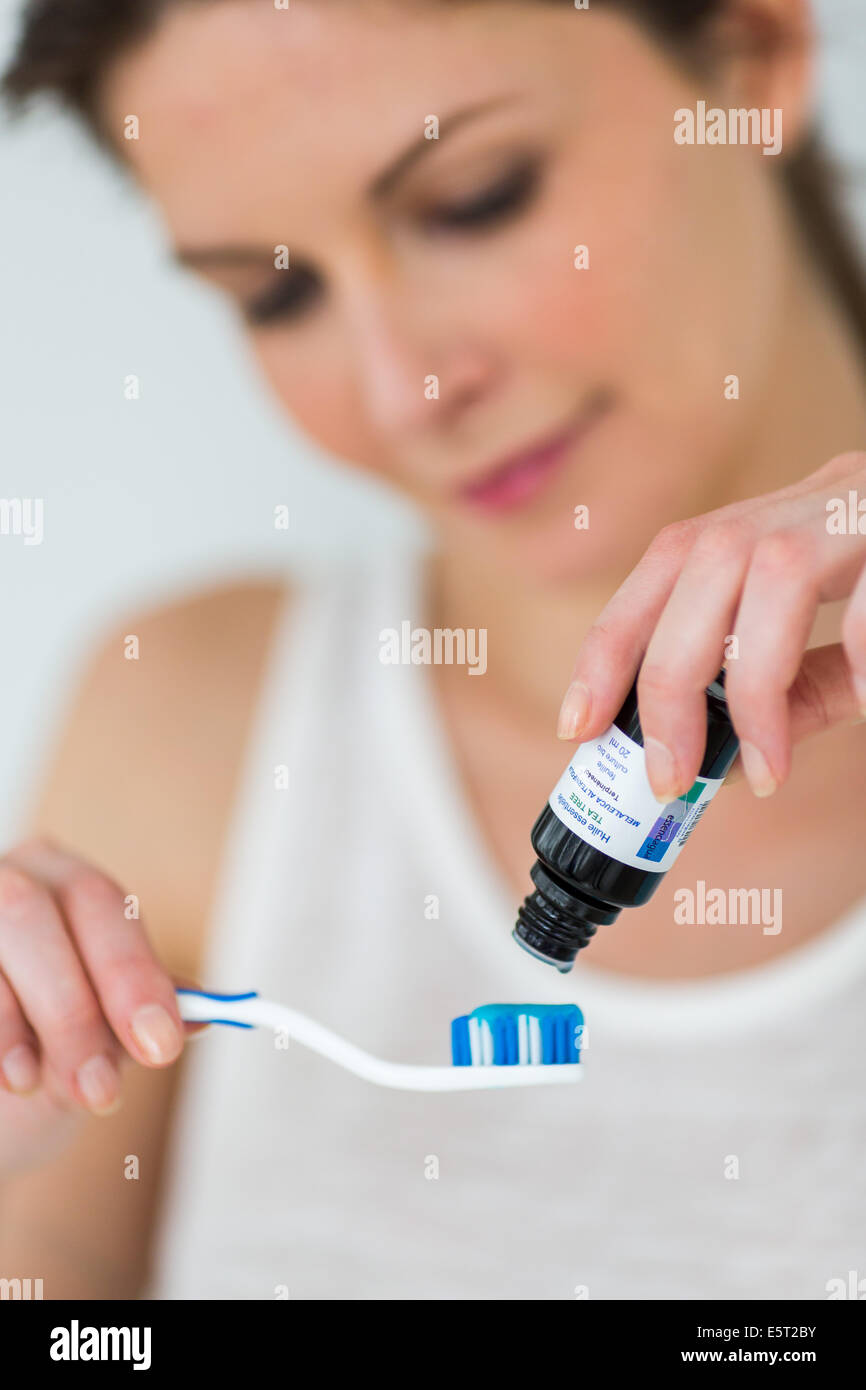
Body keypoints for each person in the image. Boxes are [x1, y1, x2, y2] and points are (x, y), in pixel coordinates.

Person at [0, 0, 865, 1300]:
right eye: (276, 291)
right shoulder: (182, 722)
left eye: (474, 198)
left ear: (749, 58)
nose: (406, 388)